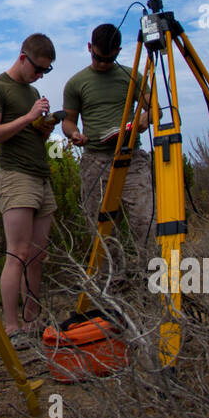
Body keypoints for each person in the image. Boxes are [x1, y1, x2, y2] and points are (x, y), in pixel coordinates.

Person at [0, 34, 59, 343]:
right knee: (18, 253)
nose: (41, 76)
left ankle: (32, 321)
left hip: (41, 176)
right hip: (15, 177)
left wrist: (43, 128)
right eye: (39, 68)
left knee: (37, 254)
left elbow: (29, 135)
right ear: (23, 57)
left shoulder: (33, 90)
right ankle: (11, 328)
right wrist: (28, 117)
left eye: (47, 71)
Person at [61, 23, 153, 283]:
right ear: (89, 48)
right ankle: (114, 284)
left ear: (118, 51)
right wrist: (73, 133)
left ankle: (154, 280)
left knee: (145, 222)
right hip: (95, 160)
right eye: (98, 58)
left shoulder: (131, 75)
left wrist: (144, 119)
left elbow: (153, 107)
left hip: (131, 158)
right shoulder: (76, 83)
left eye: (109, 59)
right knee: (102, 227)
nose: (102, 64)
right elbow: (68, 121)